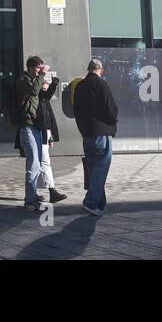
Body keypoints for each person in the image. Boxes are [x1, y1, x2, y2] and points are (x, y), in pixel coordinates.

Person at [73, 57, 119, 217]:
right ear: (101, 70)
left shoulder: (79, 86)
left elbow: (75, 110)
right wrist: (113, 124)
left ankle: (100, 204)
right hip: (101, 133)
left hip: (87, 134)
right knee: (101, 169)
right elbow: (111, 108)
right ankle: (90, 202)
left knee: (94, 170)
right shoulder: (102, 84)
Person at [15, 56, 49, 212]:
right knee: (33, 163)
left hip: (36, 126)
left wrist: (51, 85)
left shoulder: (34, 80)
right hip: (27, 126)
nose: (39, 71)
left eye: (40, 68)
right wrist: (42, 76)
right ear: (30, 67)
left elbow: (41, 96)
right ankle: (30, 201)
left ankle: (32, 195)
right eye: (37, 68)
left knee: (37, 162)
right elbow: (33, 90)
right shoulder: (23, 80)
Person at [33, 65, 67, 204]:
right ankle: (51, 191)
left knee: (40, 163)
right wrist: (54, 84)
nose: (45, 87)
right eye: (44, 85)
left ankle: (34, 192)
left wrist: (51, 136)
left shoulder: (44, 101)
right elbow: (46, 96)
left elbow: (50, 118)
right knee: (43, 162)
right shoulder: (39, 97)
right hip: (40, 131)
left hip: (44, 132)